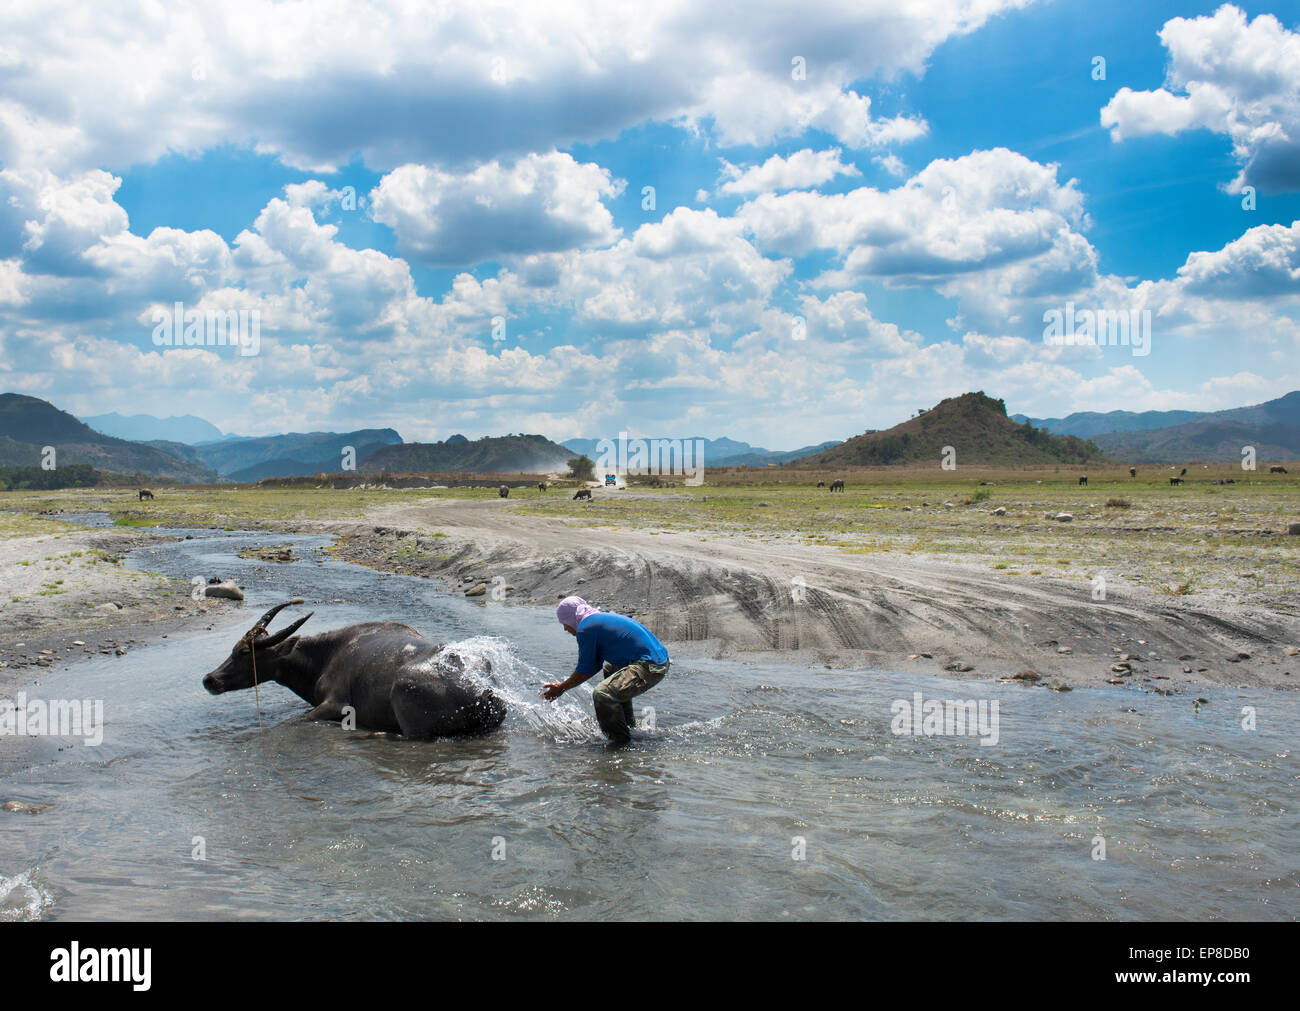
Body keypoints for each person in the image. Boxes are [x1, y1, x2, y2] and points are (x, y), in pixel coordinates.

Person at [541, 596, 669, 744]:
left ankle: (620, 743)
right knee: (610, 668)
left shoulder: (585, 628)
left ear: (571, 619)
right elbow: (594, 665)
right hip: (658, 658)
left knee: (602, 694)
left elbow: (585, 669)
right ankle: (627, 724)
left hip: (651, 665)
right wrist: (564, 686)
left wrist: (561, 688)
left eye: (564, 623)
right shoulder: (596, 619)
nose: (565, 628)